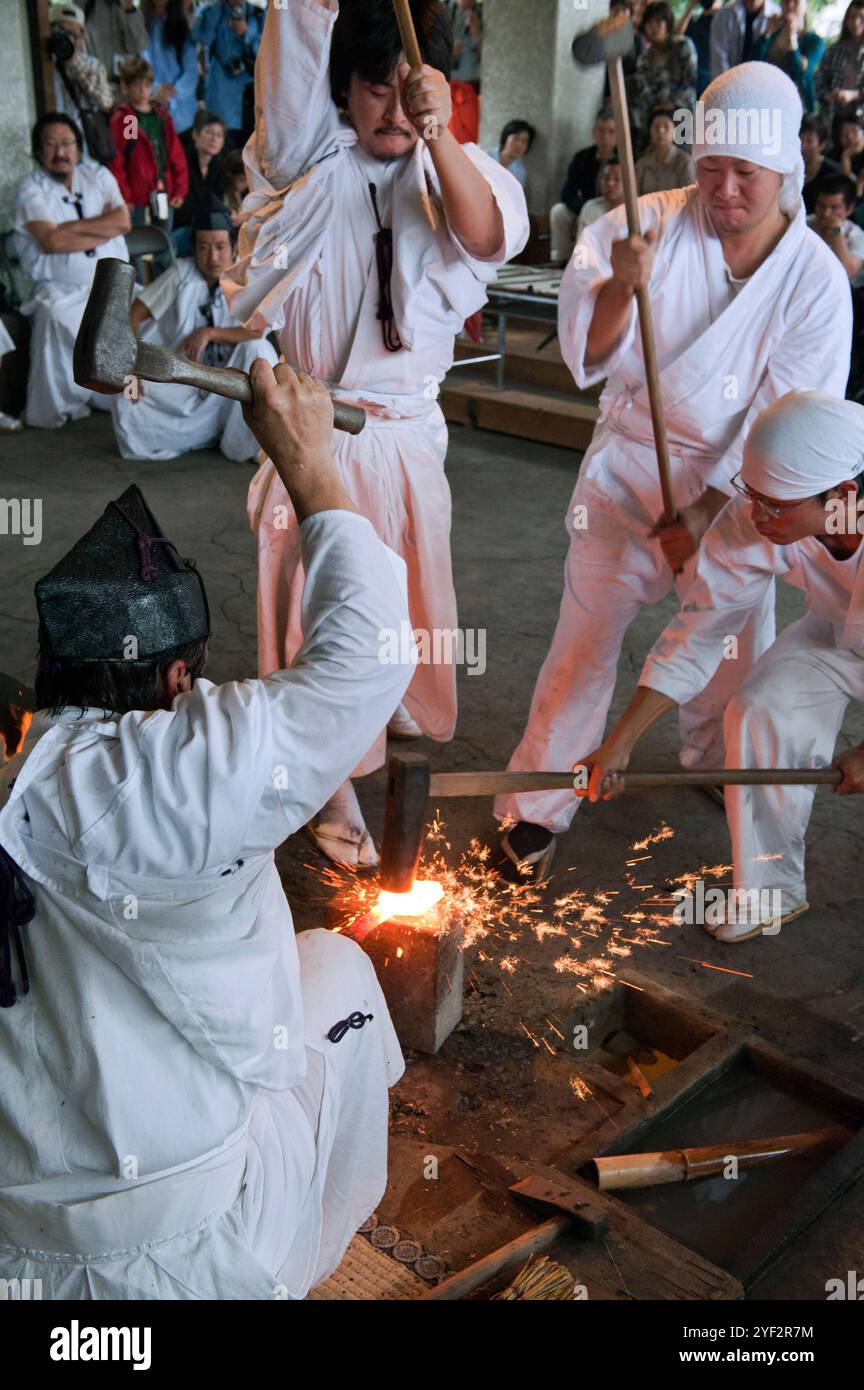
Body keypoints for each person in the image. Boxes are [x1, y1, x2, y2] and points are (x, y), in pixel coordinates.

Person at [0, 362, 416, 1300]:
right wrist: (310, 463)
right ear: (177, 685)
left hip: (18, 1254)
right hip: (186, 1264)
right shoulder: (174, 774)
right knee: (342, 978)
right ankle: (310, 1256)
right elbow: (372, 654)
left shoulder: (23, 769)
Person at [493, 63, 852, 882]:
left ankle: (710, 755)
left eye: (745, 175)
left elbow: (788, 424)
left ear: (788, 167)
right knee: (584, 645)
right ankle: (540, 803)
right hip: (627, 470)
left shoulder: (818, 283)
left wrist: (711, 510)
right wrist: (622, 287)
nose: (724, 191)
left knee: (732, 644)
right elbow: (591, 352)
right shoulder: (644, 226)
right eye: (710, 169)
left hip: (746, 489)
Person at [226, 0, 528, 869]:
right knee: (320, 615)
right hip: (317, 427)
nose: (391, 111)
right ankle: (327, 786)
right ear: (341, 92)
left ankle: (383, 715)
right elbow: (290, 74)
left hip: (407, 436)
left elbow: (484, 233)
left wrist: (439, 137)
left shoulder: (454, 166)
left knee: (397, 604)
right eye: (372, 90)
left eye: (409, 91)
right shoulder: (305, 166)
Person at [578, 391, 864, 942]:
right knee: (760, 710)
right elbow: (700, 629)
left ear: (844, 494)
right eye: (752, 494)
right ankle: (771, 892)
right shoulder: (759, 510)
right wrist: (622, 740)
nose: (757, 515)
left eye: (775, 505)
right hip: (836, 634)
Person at [111, 209, 278, 463]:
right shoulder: (181, 273)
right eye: (204, 247)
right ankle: (209, 432)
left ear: (233, 246)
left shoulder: (246, 276)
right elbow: (133, 314)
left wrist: (210, 333)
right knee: (125, 398)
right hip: (183, 382)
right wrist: (132, 369)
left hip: (230, 384)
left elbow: (257, 329)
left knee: (260, 350)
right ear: (194, 248)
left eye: (221, 247)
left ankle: (238, 440)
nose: (213, 256)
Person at [14, 113, 131, 430]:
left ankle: (112, 396)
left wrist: (69, 228)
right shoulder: (30, 187)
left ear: (78, 148)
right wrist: (99, 228)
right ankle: (59, 406)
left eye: (66, 143)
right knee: (54, 319)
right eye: (50, 144)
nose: (59, 152)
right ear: (39, 151)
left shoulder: (98, 175)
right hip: (59, 290)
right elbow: (51, 240)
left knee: (146, 317)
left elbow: (123, 222)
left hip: (110, 287)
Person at [108, 56, 189, 251]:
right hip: (137, 195)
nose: (143, 90)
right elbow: (121, 159)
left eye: (146, 84)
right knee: (135, 243)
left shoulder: (161, 117)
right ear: (126, 87)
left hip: (162, 189)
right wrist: (124, 196)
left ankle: (166, 280)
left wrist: (180, 188)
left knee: (163, 241)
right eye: (136, 85)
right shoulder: (128, 119)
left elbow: (175, 154)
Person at [550, 109, 617, 266]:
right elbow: (567, 192)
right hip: (584, 205)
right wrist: (583, 207)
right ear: (594, 133)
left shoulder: (625, 158)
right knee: (558, 212)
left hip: (612, 208)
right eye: (601, 131)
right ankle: (561, 260)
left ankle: (584, 264)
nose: (605, 136)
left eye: (611, 132)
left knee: (593, 211)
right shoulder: (582, 157)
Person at [49, 1, 115, 160]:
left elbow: (105, 101)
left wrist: (74, 63)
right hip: (53, 147)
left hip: (85, 146)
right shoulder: (44, 65)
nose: (68, 39)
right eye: (62, 32)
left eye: (73, 35)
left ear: (82, 37)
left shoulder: (92, 64)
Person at [192, 0, 263, 148]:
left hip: (251, 95)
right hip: (221, 97)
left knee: (252, 151)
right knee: (223, 150)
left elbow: (269, 53)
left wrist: (246, 32)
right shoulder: (211, 12)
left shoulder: (257, 14)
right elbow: (201, 39)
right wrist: (215, 12)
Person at [634, 2, 698, 147]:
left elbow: (691, 83)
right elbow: (643, 91)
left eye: (658, 21)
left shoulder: (683, 47)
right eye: (649, 22)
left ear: (667, 23)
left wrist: (672, 103)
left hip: (683, 112)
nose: (653, 27)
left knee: (684, 160)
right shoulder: (644, 58)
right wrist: (660, 107)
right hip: (655, 115)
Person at [752, 0, 823, 113]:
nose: (790, 5)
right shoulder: (770, 35)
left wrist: (791, 36)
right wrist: (767, 33)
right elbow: (750, 64)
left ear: (806, 5)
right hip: (766, 105)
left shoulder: (815, 42)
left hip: (799, 108)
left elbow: (799, 72)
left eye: (796, 2)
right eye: (785, 1)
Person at [142, 0, 201, 135]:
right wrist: (155, 91)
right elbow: (137, 65)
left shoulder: (182, 27)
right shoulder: (139, 25)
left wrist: (170, 96)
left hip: (182, 116)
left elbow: (191, 72)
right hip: (147, 109)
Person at [173, 109, 228, 254]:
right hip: (181, 229)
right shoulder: (181, 161)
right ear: (195, 135)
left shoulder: (217, 168)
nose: (214, 139)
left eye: (219, 135)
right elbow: (182, 210)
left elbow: (217, 203)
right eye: (209, 132)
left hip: (205, 228)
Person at [815, 0, 864, 134]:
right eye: (852, 17)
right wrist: (828, 95)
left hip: (859, 122)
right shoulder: (834, 50)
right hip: (832, 120)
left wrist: (854, 95)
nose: (856, 22)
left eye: (861, 18)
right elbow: (818, 81)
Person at [807, 173, 864, 285]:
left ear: (849, 209)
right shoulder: (805, 224)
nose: (826, 214)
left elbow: (848, 271)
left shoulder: (858, 237)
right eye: (821, 206)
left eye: (834, 208)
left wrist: (836, 232)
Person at [83, 0, 150, 84]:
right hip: (96, 84)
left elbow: (139, 45)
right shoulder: (87, 6)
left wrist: (129, 8)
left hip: (127, 85)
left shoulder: (130, 9)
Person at [711, 0, 780, 79]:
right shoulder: (724, 15)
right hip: (730, 84)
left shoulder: (776, 15)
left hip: (764, 84)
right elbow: (719, 64)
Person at [635, 107, 696, 195]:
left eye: (666, 127)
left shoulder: (685, 162)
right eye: (656, 127)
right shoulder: (642, 164)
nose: (661, 131)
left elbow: (689, 196)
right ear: (650, 132)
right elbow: (636, 196)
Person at [448, 0, 482, 144]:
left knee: (468, 139)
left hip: (471, 86)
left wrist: (476, 32)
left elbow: (493, 58)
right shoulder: (443, 8)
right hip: (445, 83)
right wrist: (447, 47)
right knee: (442, 134)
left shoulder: (483, 12)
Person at [676, 0, 721, 96]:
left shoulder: (723, 19)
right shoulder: (694, 20)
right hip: (692, 82)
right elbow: (676, 38)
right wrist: (690, 8)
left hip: (713, 81)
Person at [801, 113, 841, 212]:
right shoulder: (788, 168)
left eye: (809, 141)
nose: (802, 146)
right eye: (800, 140)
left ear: (822, 144)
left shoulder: (833, 173)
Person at [576, 159, 625, 237]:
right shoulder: (590, 207)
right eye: (606, 178)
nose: (610, 183)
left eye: (617, 178)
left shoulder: (640, 211)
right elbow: (582, 245)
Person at [485, 119, 535, 189]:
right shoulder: (485, 156)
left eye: (524, 141)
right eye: (516, 138)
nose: (519, 145)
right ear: (506, 138)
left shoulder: (521, 172)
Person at [222, 146, 249, 225]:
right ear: (229, 174)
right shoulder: (224, 196)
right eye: (242, 179)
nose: (246, 183)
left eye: (248, 180)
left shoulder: (245, 196)